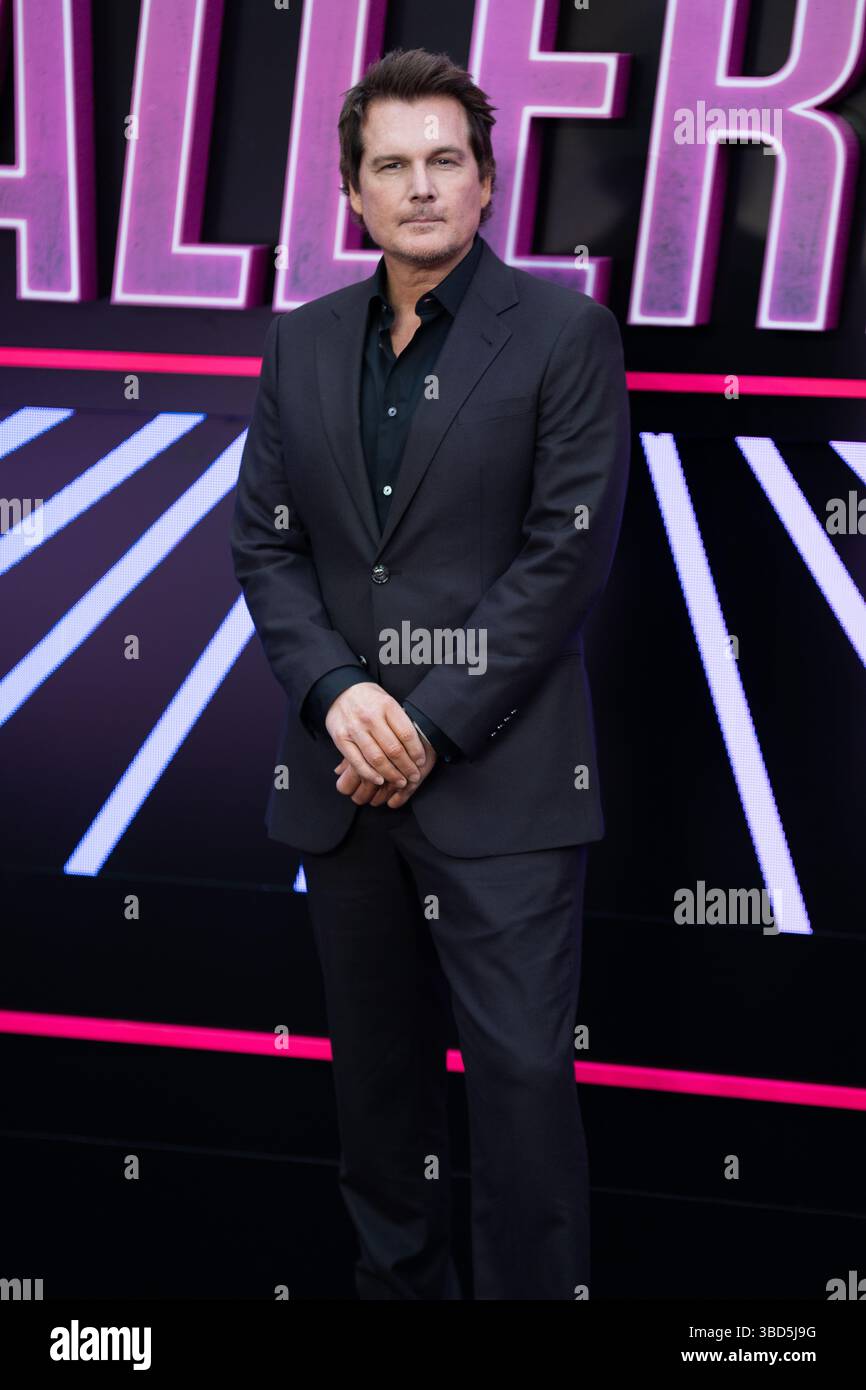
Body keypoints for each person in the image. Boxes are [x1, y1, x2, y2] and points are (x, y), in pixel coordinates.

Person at [230, 46, 630, 1300]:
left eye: (443, 160)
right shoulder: (300, 344)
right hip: (343, 786)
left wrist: (426, 723)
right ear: (352, 192)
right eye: (390, 164)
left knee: (520, 1098)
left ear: (486, 180)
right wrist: (339, 696)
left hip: (502, 792)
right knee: (377, 1099)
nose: (419, 186)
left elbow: (562, 558)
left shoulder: (565, 335)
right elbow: (266, 544)